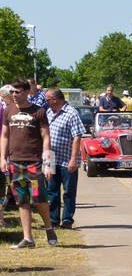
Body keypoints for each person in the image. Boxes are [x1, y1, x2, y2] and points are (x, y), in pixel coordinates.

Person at [0, 79, 56, 248]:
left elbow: (46, 137)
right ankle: (28, 238)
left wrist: (49, 163)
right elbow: (4, 136)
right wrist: (2, 158)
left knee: (39, 199)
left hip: (35, 163)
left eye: (17, 92)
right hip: (15, 162)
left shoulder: (38, 111)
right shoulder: (8, 110)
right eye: (12, 92)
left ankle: (49, 227)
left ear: (26, 92)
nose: (14, 95)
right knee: (21, 200)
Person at [44, 88, 86, 229]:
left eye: (47, 100)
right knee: (52, 190)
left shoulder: (71, 113)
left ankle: (67, 220)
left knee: (68, 191)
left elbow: (77, 137)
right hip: (52, 158)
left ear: (55, 99)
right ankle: (53, 219)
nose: (46, 102)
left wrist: (73, 159)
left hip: (67, 159)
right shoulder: (49, 112)